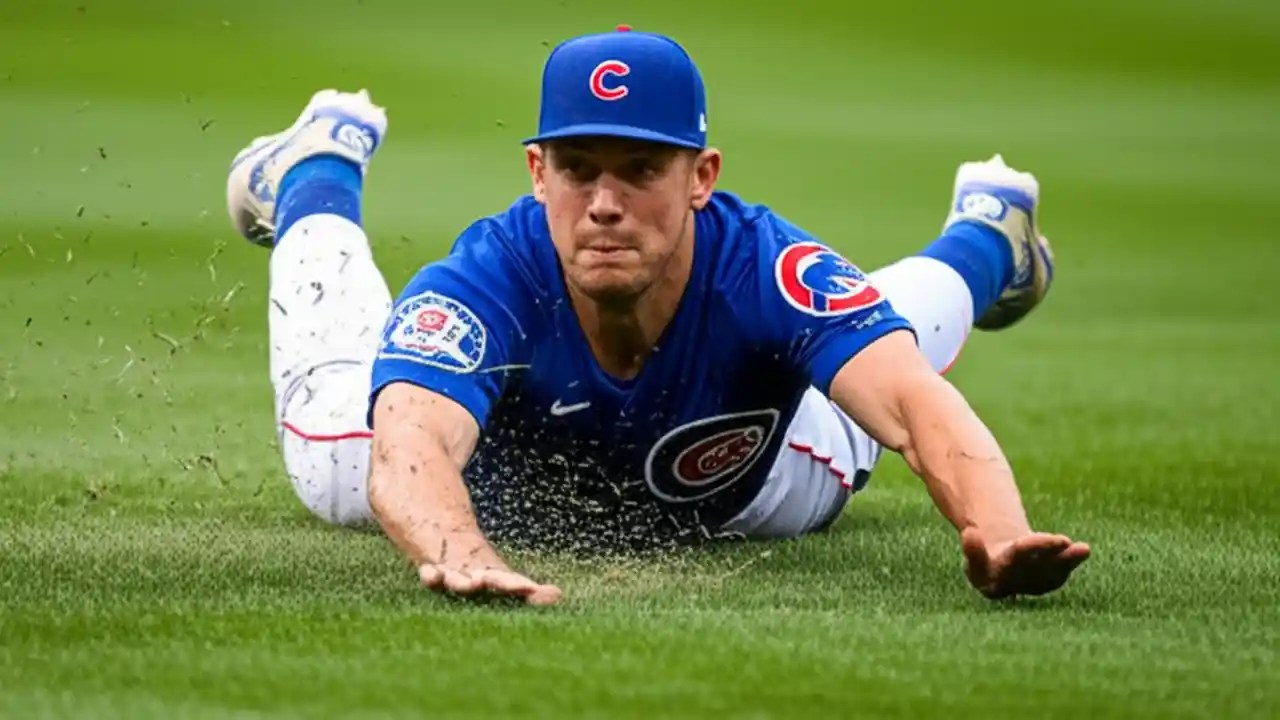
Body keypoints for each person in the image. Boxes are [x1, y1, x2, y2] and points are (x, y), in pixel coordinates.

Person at [225, 27, 1090, 606]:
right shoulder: (488, 276)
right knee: (337, 452)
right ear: (538, 172)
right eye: (578, 168)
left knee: (881, 338)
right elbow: (410, 443)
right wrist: (462, 554)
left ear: (700, 177)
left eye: (640, 170)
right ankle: (315, 173)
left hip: (752, 491)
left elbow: (912, 401)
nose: (604, 202)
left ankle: (988, 239)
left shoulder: (763, 265)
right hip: (494, 498)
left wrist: (1001, 533)